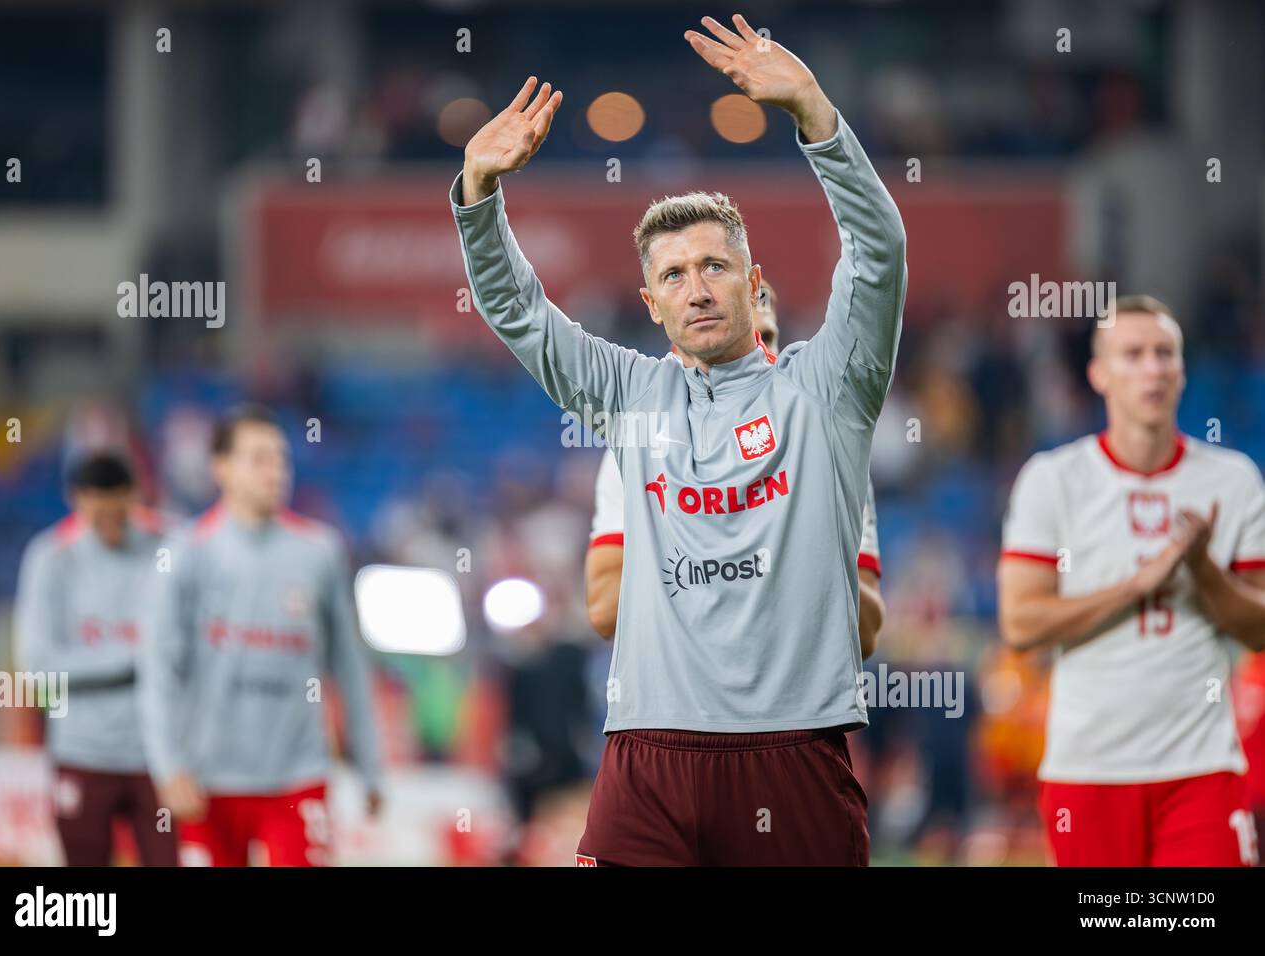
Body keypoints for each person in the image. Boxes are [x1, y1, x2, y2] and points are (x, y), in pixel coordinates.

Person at [451, 14, 905, 865]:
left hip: (795, 751)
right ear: (650, 304)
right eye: (672, 276)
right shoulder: (632, 395)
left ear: (753, 281)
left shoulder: (827, 388)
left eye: (714, 266)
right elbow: (517, 312)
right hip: (647, 757)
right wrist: (478, 187)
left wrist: (814, 111)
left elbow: (878, 254)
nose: (695, 288)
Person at [998, 295, 1265, 867]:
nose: (1153, 368)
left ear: (1183, 371)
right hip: (1088, 769)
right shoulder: (1053, 480)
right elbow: (1021, 623)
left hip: (1201, 767)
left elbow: (1259, 628)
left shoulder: (1234, 481)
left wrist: (1201, 569)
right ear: (1098, 373)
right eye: (1134, 354)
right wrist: (1139, 583)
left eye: (1166, 353)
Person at [586, 280, 886, 658]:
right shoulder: (640, 448)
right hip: (686, 703)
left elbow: (866, 633)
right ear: (680, 351)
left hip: (796, 705)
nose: (755, 353)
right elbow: (605, 609)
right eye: (737, 339)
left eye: (765, 337)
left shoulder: (831, 449)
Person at [138, 404, 384, 866]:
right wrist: (168, 765)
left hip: (297, 777)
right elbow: (158, 671)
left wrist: (370, 765)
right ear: (221, 468)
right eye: (258, 458)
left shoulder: (319, 552)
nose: (275, 471)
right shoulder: (186, 553)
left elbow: (348, 666)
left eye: (281, 459)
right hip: (209, 782)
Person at [16, 452, 177, 866]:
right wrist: (136, 657)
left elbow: (188, 645)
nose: (109, 521)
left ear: (136, 497)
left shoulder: (171, 547)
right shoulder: (51, 558)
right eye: (98, 511)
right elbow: (38, 667)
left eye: (118, 510)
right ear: (76, 501)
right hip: (81, 752)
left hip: (158, 756)